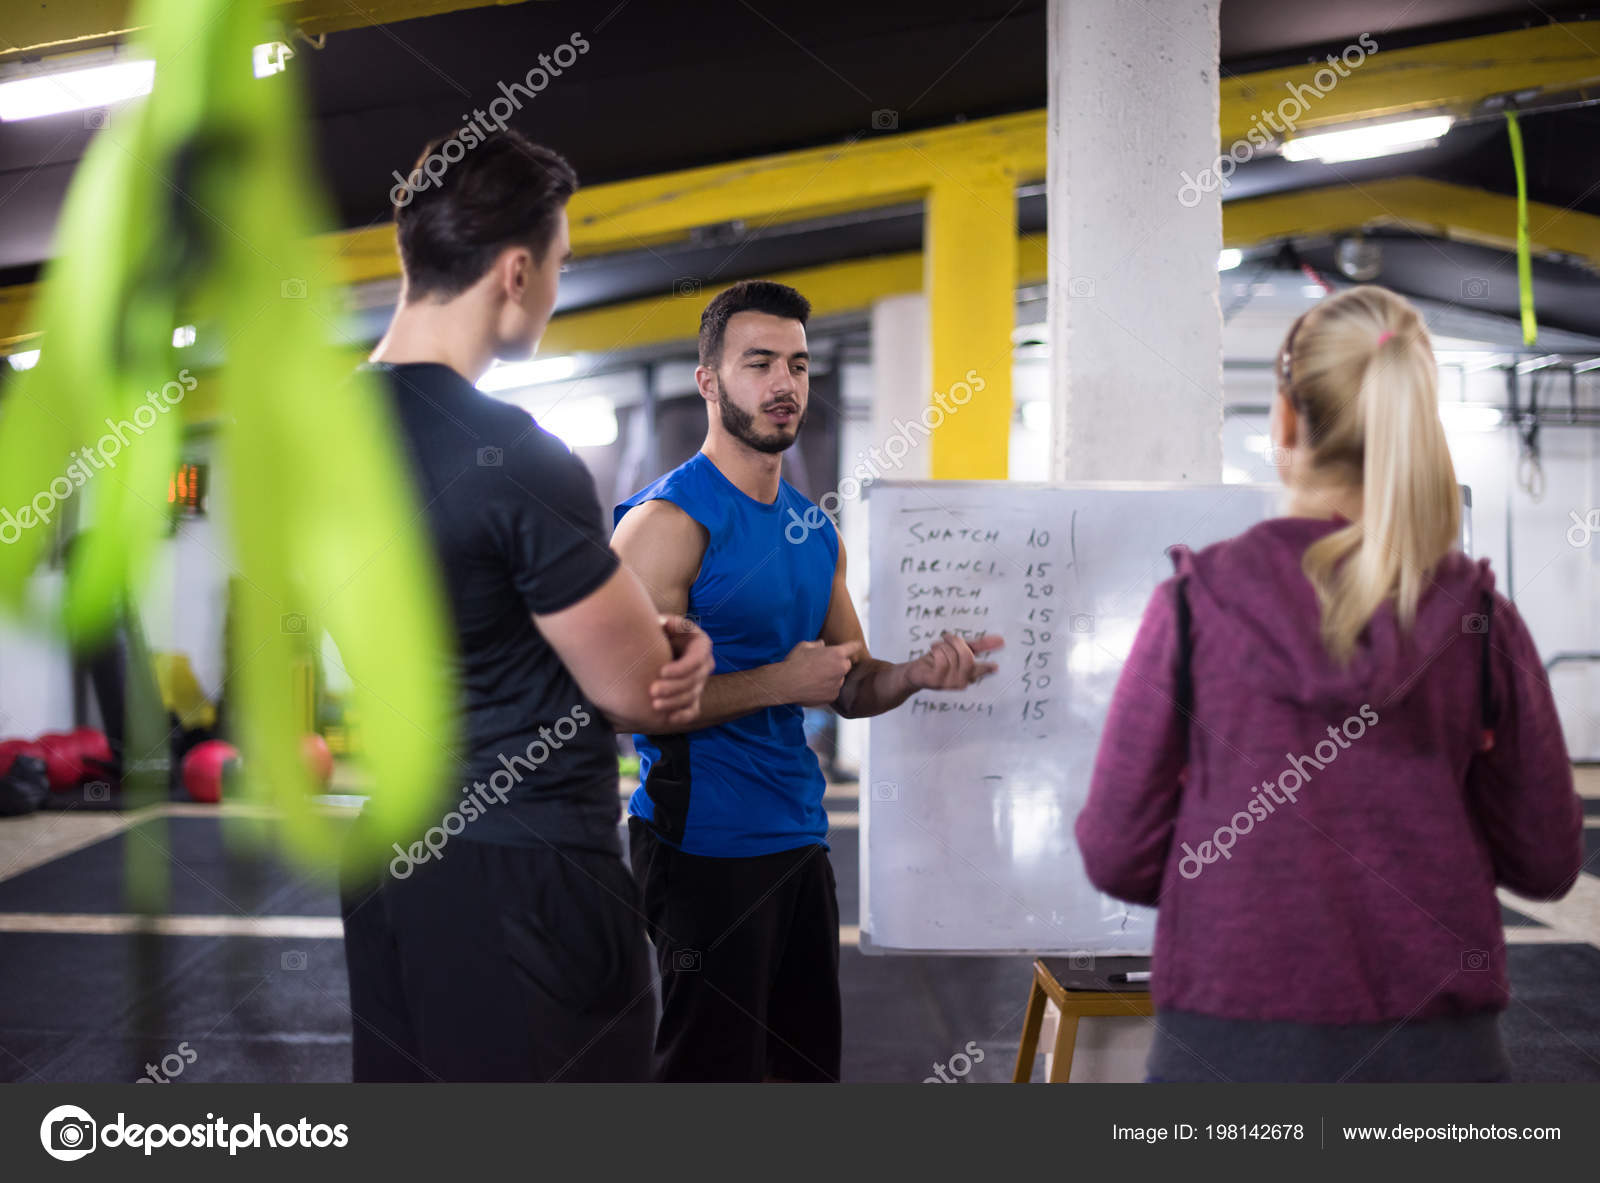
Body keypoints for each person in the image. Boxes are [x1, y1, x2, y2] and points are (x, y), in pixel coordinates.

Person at [1075, 284, 1583, 1083]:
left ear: (1286, 418)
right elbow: (1549, 858)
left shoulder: (1196, 605)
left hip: (1227, 1034)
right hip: (1439, 1049)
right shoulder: (1480, 619)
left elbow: (1115, 852)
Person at [338, 129, 715, 1083]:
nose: (554, 286)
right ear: (514, 271)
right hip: (527, 873)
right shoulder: (515, 457)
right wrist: (677, 643)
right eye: (559, 265)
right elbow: (642, 694)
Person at [611, 279, 1004, 1082]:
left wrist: (919, 673)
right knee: (708, 1078)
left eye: (796, 364)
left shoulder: (812, 529)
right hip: (700, 846)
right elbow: (630, 700)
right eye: (759, 363)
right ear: (708, 381)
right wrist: (777, 682)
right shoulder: (664, 525)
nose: (785, 383)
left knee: (803, 1074)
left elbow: (851, 685)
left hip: (798, 839)